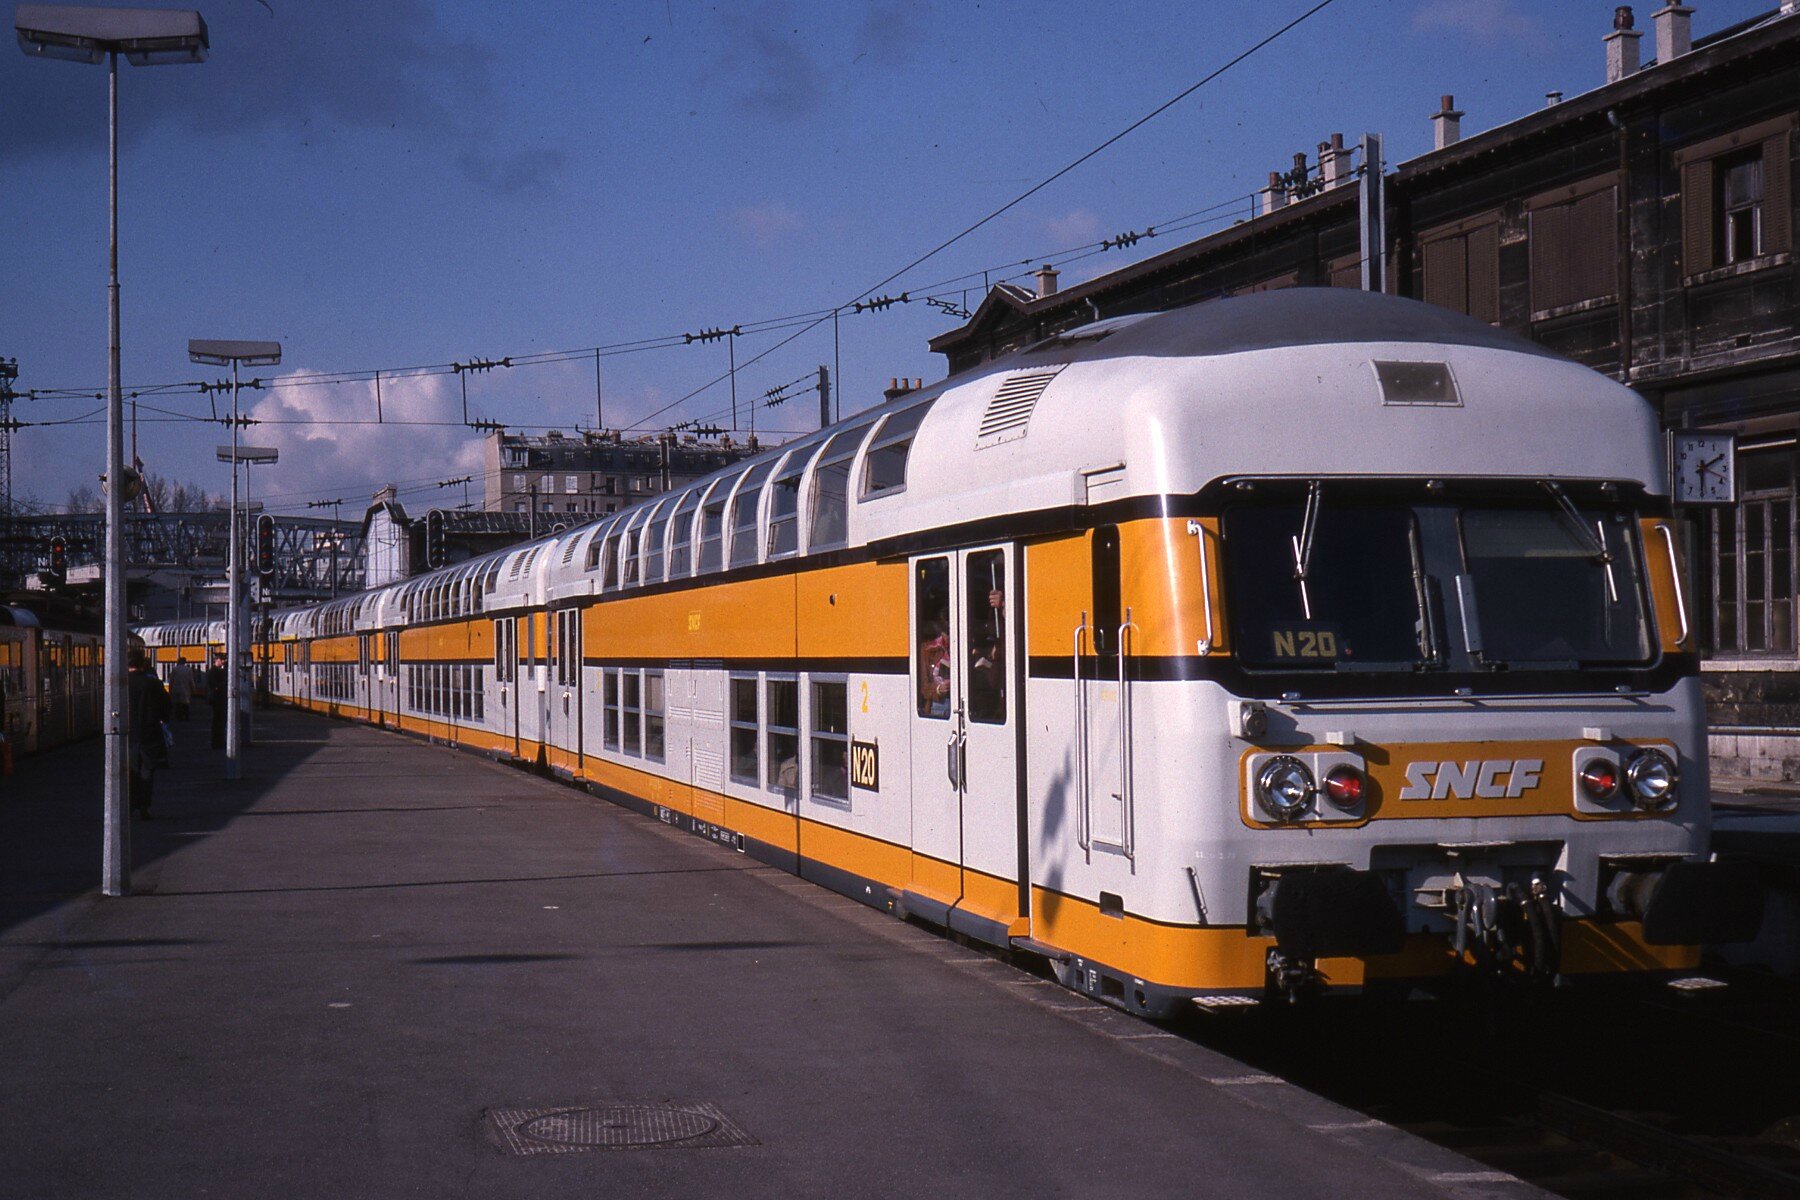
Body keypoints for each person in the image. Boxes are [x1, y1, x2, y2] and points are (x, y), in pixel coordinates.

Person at [126, 648, 170, 819]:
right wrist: (161, 719)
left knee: (129, 771)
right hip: (149, 734)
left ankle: (128, 806)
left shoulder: (119, 684)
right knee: (147, 770)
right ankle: (144, 806)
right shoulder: (153, 684)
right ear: (142, 664)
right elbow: (166, 705)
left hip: (126, 734)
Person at [206, 652, 227, 749]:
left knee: (220, 721)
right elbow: (214, 686)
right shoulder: (213, 671)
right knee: (217, 721)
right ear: (217, 660)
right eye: (222, 660)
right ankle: (217, 742)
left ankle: (219, 741)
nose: (224, 662)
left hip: (218, 699)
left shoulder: (217, 671)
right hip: (217, 699)